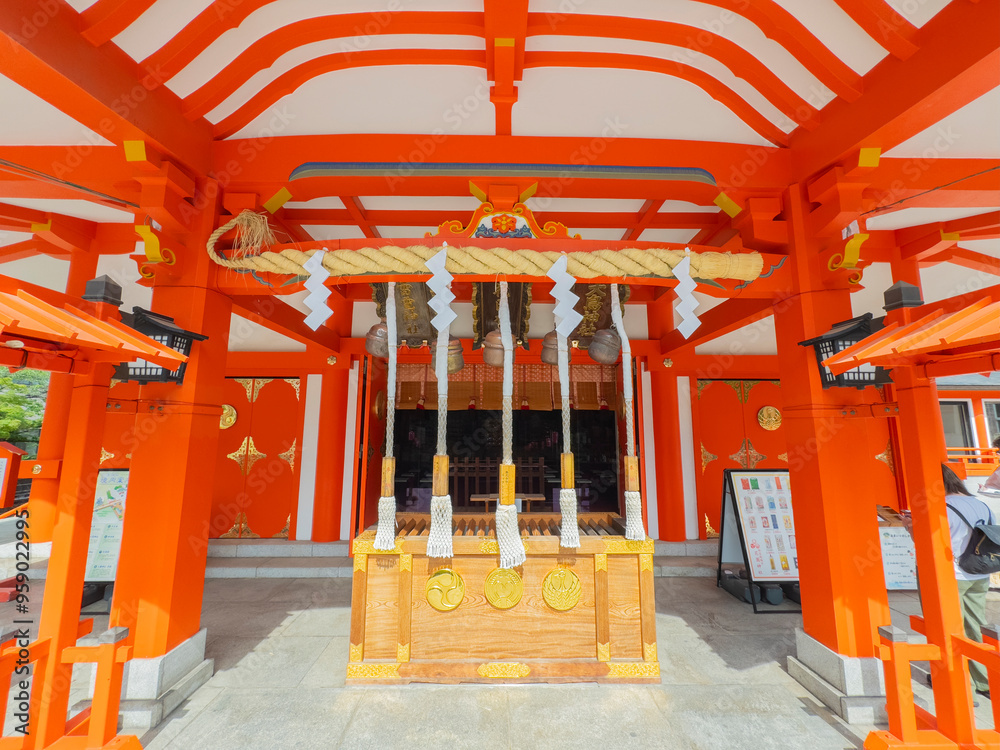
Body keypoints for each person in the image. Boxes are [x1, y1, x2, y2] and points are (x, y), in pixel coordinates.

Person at [942, 463, 994, 699]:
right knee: (976, 625)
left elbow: (931, 541)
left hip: (952, 573)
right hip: (980, 571)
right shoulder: (981, 504)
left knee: (951, 628)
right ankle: (985, 681)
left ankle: (964, 688)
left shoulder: (942, 507)